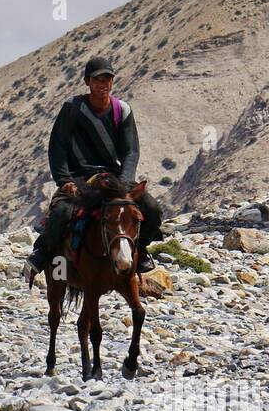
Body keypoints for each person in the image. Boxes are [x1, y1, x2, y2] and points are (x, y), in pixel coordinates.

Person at [24, 56, 164, 282]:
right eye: (98, 79)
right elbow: (57, 146)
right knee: (61, 212)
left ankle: (142, 249)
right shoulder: (73, 108)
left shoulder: (123, 111)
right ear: (88, 81)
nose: (103, 84)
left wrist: (126, 182)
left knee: (152, 208)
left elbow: (131, 151)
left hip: (113, 178)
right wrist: (64, 180)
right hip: (80, 178)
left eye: (107, 79)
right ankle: (43, 252)